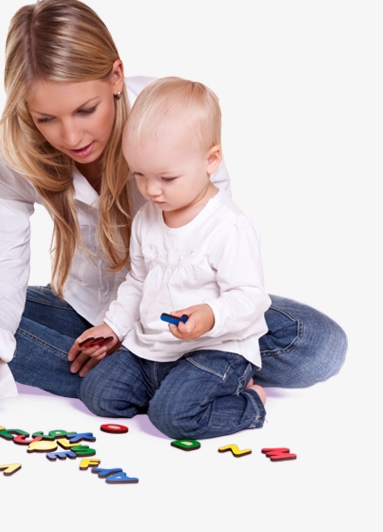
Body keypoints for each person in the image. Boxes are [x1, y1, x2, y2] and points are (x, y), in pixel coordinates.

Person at [0, 0, 348, 457]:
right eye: (45, 119)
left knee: (318, 346)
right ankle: (171, 387)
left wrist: (197, 326)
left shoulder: (175, 122)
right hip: (89, 313)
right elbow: (2, 276)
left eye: (85, 109)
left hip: (185, 316)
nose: (71, 138)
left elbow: (216, 249)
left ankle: (144, 379)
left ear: (115, 76)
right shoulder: (17, 151)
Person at [71, 77, 269, 439]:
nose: (151, 189)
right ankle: (173, 393)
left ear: (210, 160)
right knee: (97, 394)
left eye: (167, 177)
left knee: (174, 420)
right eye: (140, 175)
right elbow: (138, 280)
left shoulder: (227, 226)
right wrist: (113, 326)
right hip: (154, 346)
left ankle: (251, 402)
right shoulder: (148, 216)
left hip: (214, 349)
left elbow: (251, 297)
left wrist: (210, 316)